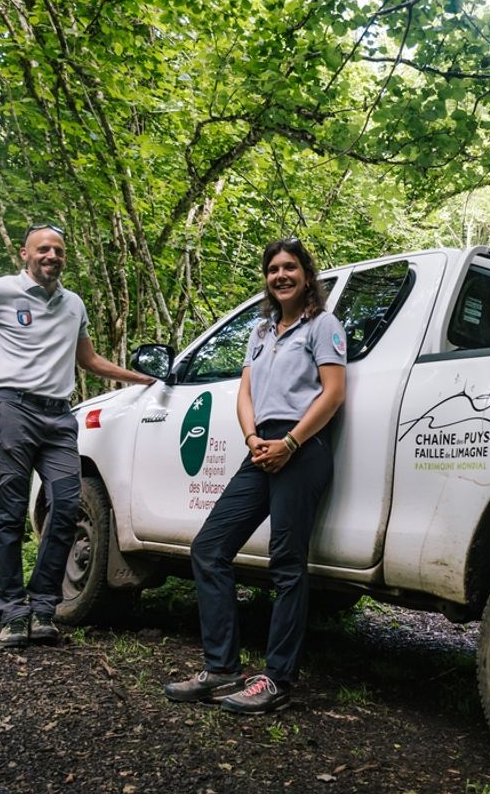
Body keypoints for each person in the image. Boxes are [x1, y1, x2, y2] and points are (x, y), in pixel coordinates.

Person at [0, 223, 154, 649]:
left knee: (65, 507)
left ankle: (44, 604)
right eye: (43, 249)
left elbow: (89, 360)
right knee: (9, 512)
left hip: (59, 417)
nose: (52, 256)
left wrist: (140, 379)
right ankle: (10, 609)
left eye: (59, 251)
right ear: (25, 254)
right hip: (11, 410)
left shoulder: (73, 304)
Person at [164, 237, 347, 714]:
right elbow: (245, 394)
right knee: (209, 548)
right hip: (260, 447)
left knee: (286, 564)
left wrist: (290, 444)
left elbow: (332, 393)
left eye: (290, 267)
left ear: (306, 275)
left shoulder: (323, 325)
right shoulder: (261, 331)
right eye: (273, 269)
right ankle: (221, 667)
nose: (281, 275)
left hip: (302, 448)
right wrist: (253, 441)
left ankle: (278, 679)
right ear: (267, 278)